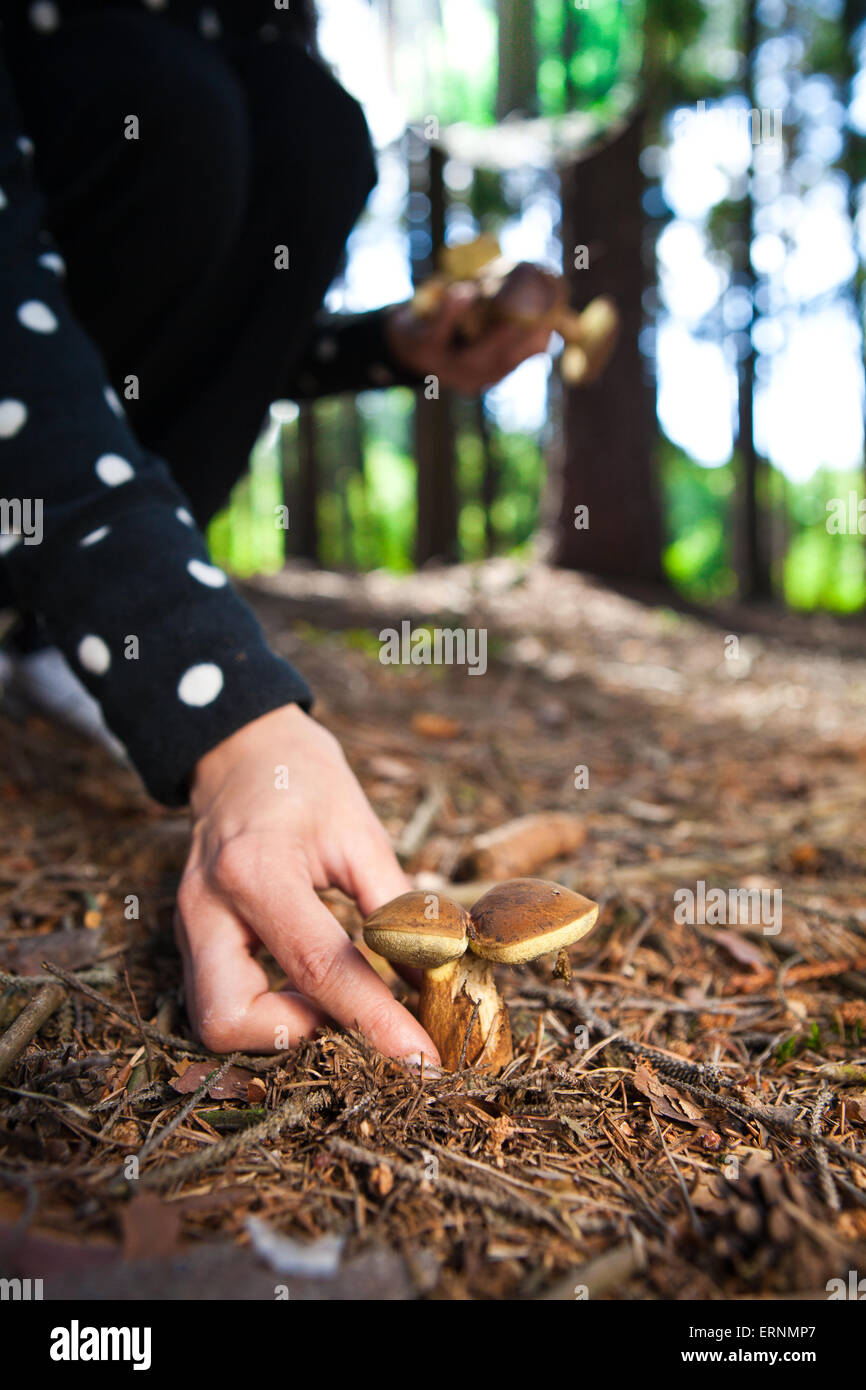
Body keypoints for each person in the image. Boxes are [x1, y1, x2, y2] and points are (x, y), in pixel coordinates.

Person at [0, 0, 553, 1062]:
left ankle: (49, 629)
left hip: (83, 495)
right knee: (166, 96)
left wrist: (394, 350)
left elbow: (205, 343)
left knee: (311, 126)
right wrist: (223, 711)